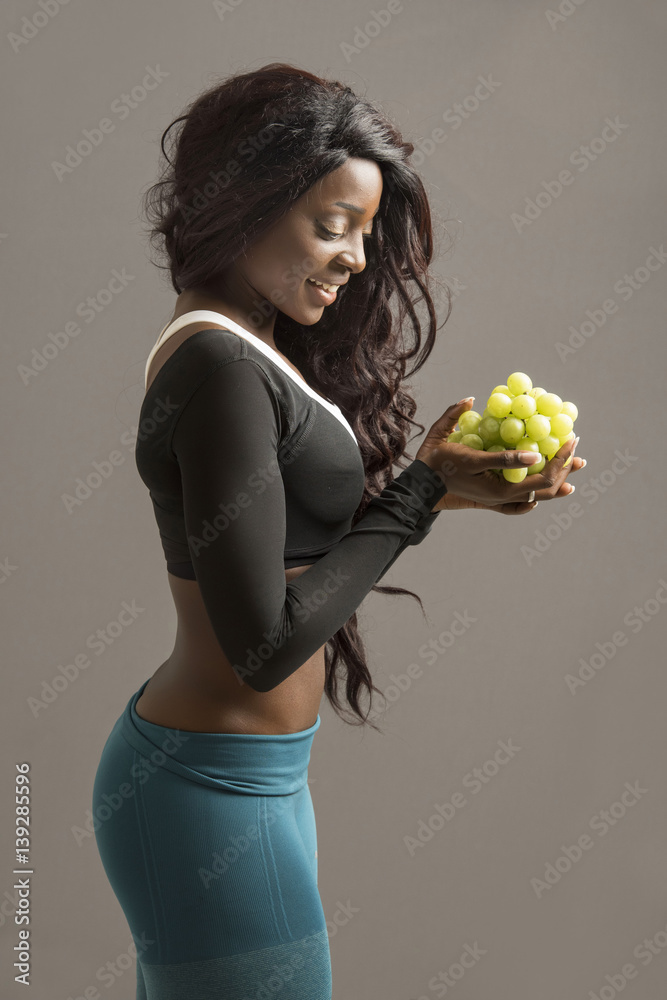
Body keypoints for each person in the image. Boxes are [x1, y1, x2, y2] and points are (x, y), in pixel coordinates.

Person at [92, 63, 584, 1000]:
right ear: (245, 199)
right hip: (208, 789)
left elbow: (293, 554)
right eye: (332, 226)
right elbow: (263, 648)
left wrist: (440, 494)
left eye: (362, 231)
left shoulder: (246, 346)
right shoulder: (221, 368)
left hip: (254, 776)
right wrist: (415, 496)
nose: (356, 257)